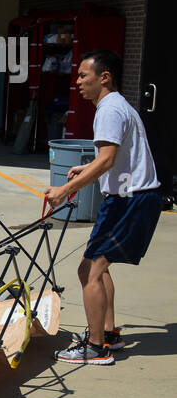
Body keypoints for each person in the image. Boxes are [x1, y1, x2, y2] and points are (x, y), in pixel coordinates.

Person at [45, 49, 162, 365]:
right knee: (99, 265)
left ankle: (96, 348)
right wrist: (87, 170)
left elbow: (108, 158)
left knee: (89, 269)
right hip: (132, 198)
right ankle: (108, 333)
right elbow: (115, 158)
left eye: (84, 75)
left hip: (130, 201)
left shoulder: (108, 110)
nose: (78, 82)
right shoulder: (118, 106)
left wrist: (65, 190)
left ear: (104, 77)